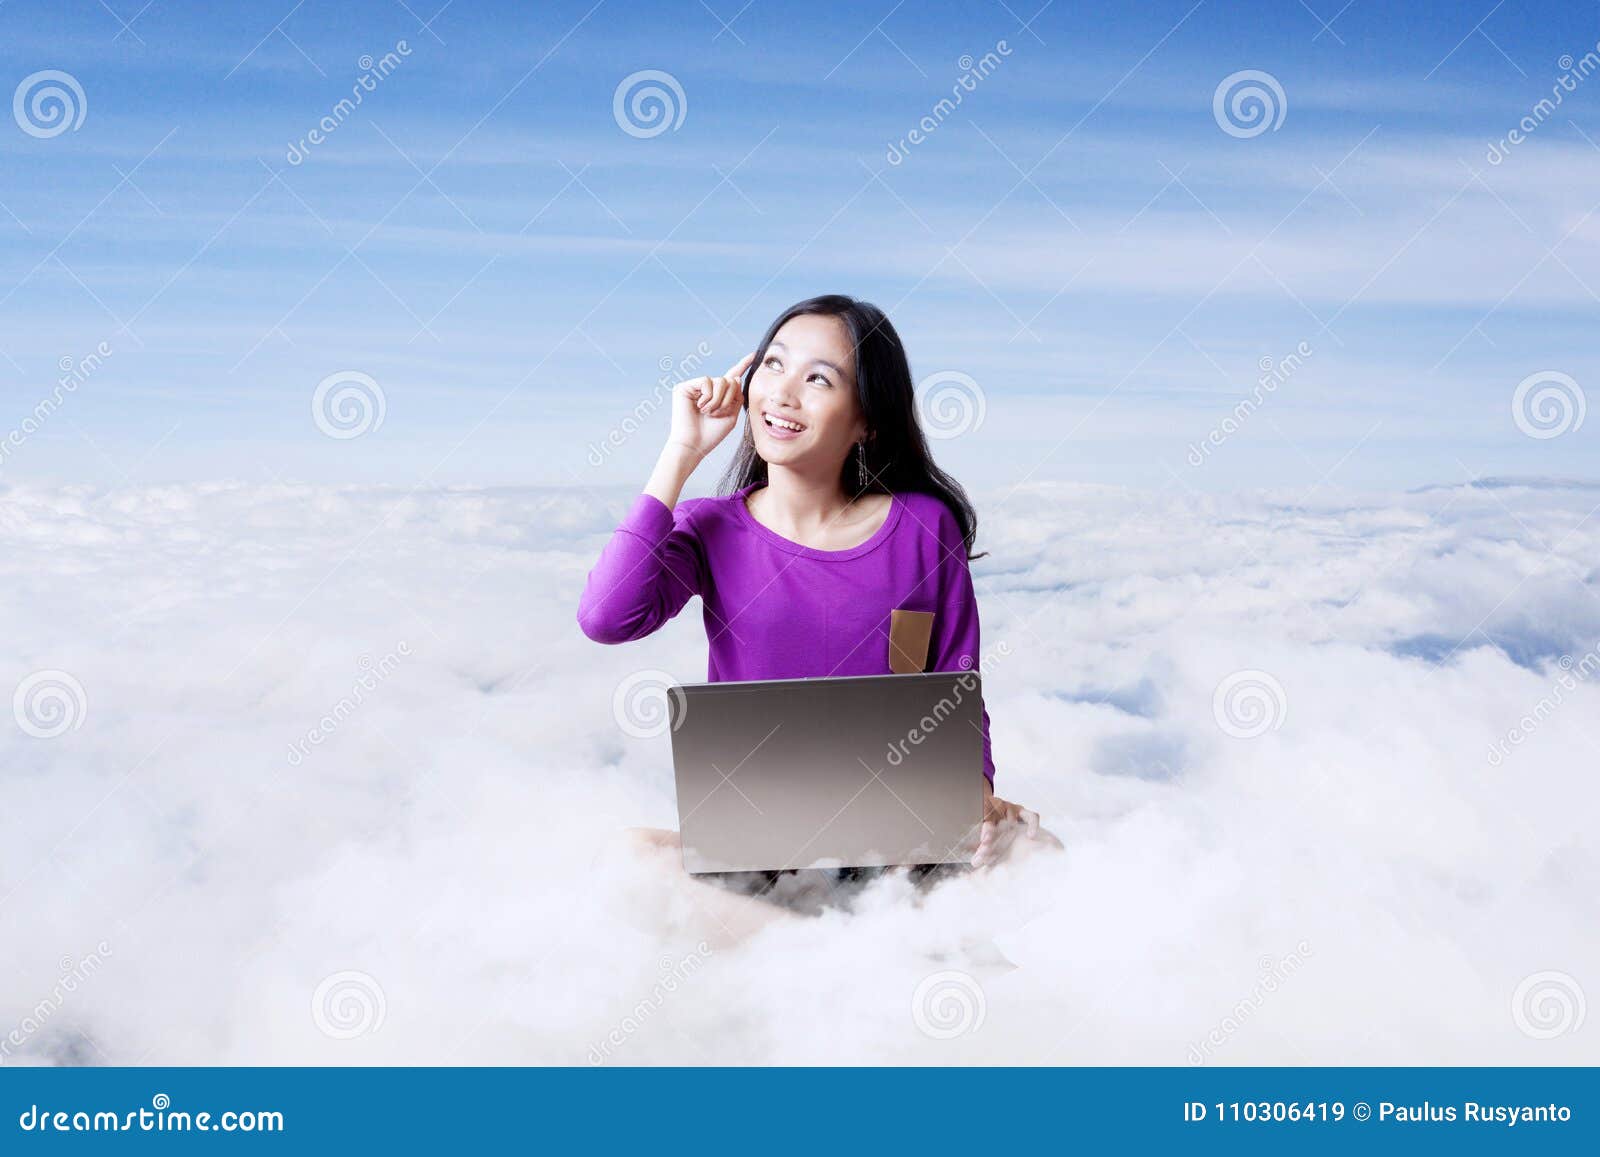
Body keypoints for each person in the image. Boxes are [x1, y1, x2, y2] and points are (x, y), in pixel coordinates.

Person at [578, 294, 1050, 928]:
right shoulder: (709, 529)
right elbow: (606, 617)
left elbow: (953, 687)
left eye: (819, 378)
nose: (783, 393)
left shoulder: (921, 527)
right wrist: (681, 453)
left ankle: (808, 943)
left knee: (1041, 852)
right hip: (756, 852)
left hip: (902, 842)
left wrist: (980, 800)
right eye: (771, 366)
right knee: (626, 861)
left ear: (867, 421)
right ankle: (829, 946)